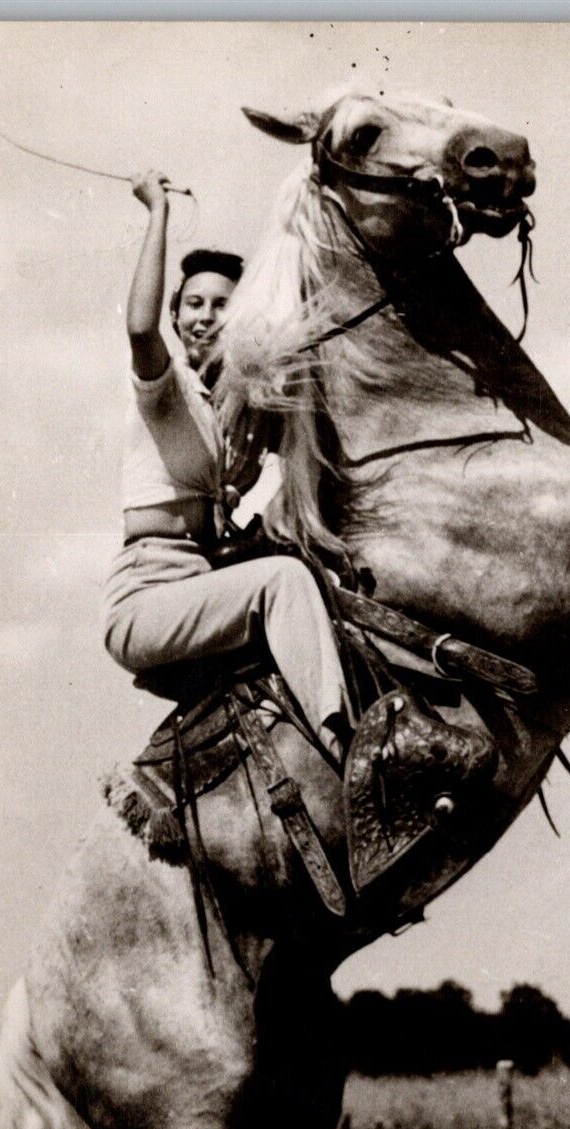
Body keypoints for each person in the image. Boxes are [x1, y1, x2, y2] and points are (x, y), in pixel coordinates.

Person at [102, 170, 351, 762]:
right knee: (282, 583)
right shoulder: (168, 390)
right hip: (146, 597)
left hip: (202, 588)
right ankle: (346, 749)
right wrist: (157, 210)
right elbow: (140, 327)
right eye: (193, 304)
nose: (205, 316)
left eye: (222, 304)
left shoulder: (238, 410)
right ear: (177, 314)